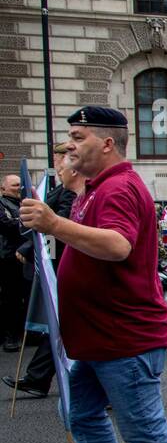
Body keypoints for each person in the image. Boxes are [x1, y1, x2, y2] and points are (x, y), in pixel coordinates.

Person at [19, 106, 167, 443]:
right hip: (98, 339)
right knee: (79, 415)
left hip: (124, 339)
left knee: (144, 431)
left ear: (107, 142)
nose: (70, 146)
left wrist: (55, 224)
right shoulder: (95, 188)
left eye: (77, 137)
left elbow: (117, 247)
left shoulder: (117, 188)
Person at [7, 143, 80, 398]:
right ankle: (38, 378)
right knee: (63, 325)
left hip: (64, 264)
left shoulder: (70, 193)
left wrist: (29, 248)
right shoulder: (62, 189)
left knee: (66, 325)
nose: (59, 162)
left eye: (61, 156)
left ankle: (41, 378)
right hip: (60, 264)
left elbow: (57, 227)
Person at [0, 174, 27, 351]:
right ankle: (10, 336)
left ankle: (23, 333)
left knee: (22, 295)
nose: (19, 187)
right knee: (11, 297)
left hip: (23, 257)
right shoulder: (2, 204)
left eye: (20, 184)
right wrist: (25, 223)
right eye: (15, 185)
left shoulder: (22, 204)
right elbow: (7, 225)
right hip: (8, 257)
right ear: (3, 189)